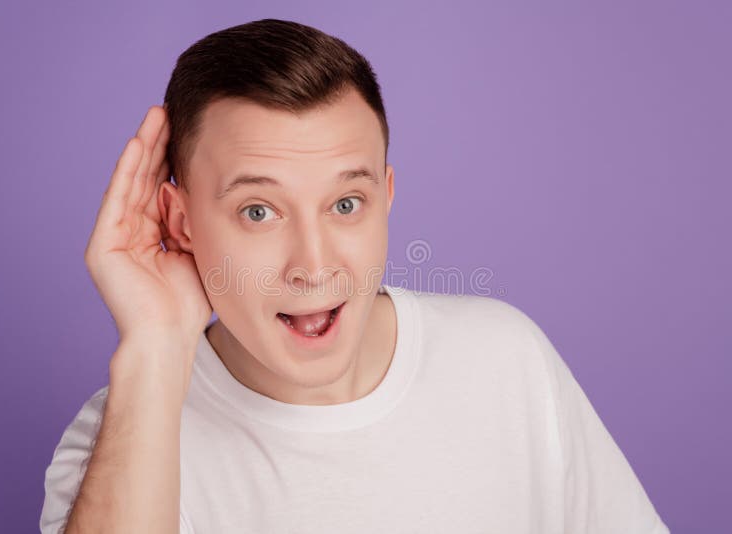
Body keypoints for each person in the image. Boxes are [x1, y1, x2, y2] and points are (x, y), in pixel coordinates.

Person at [39, 18, 670, 534]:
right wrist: (155, 347)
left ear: (387, 196)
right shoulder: (122, 437)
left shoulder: (506, 357)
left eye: (346, 204)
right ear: (180, 222)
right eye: (259, 211)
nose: (315, 266)